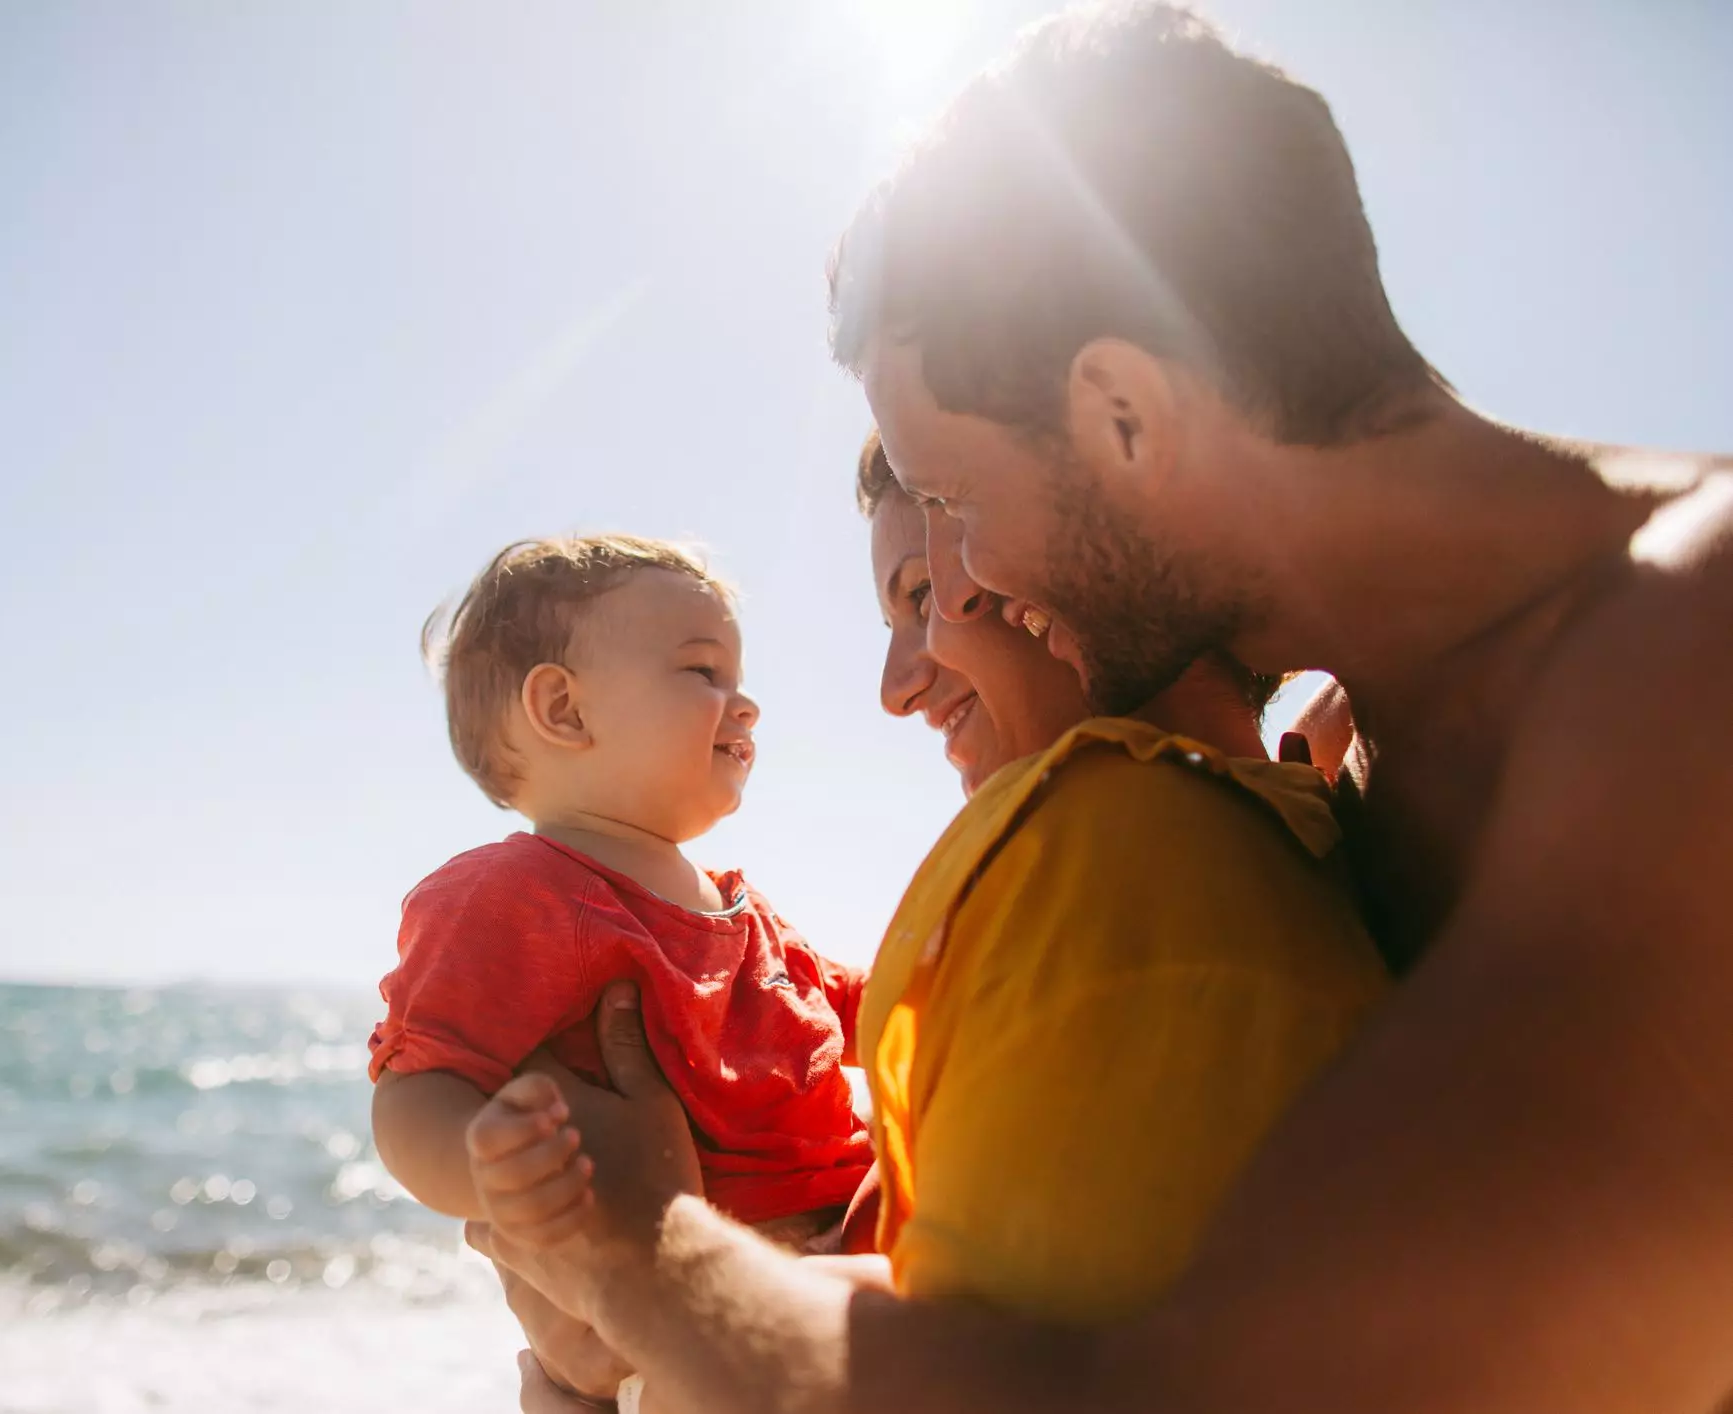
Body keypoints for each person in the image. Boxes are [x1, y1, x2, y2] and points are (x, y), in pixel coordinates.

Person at [470, 5, 1733, 1412]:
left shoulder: (1691, 661)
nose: (970, 580)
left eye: (955, 497)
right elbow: (1228, 1292)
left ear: (1124, 414)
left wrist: (638, 1250)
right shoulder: (1350, 757)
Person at [472, 437, 1387, 1407]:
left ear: (1067, 547)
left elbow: (989, 1385)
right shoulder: (1269, 826)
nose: (896, 687)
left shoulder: (1112, 859)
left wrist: (633, 1263)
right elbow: (991, 1305)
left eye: (925, 594)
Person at [365, 537, 871, 1390]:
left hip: (820, 1264)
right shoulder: (516, 893)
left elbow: (866, 1007)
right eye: (702, 672)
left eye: (738, 677)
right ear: (563, 710)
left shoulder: (736, 906)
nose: (743, 705)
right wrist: (486, 1169)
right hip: (676, 1319)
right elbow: (414, 1087)